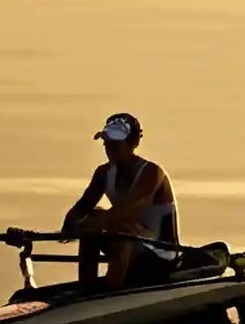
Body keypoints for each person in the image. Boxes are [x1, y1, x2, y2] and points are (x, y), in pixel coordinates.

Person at [61, 113, 179, 290]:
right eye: (107, 143)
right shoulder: (103, 173)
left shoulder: (152, 173)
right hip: (132, 244)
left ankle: (111, 292)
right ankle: (86, 289)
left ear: (133, 144)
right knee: (93, 217)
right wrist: (70, 226)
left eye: (116, 144)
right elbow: (81, 208)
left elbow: (127, 210)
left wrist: (90, 224)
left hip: (161, 254)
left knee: (120, 230)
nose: (110, 149)